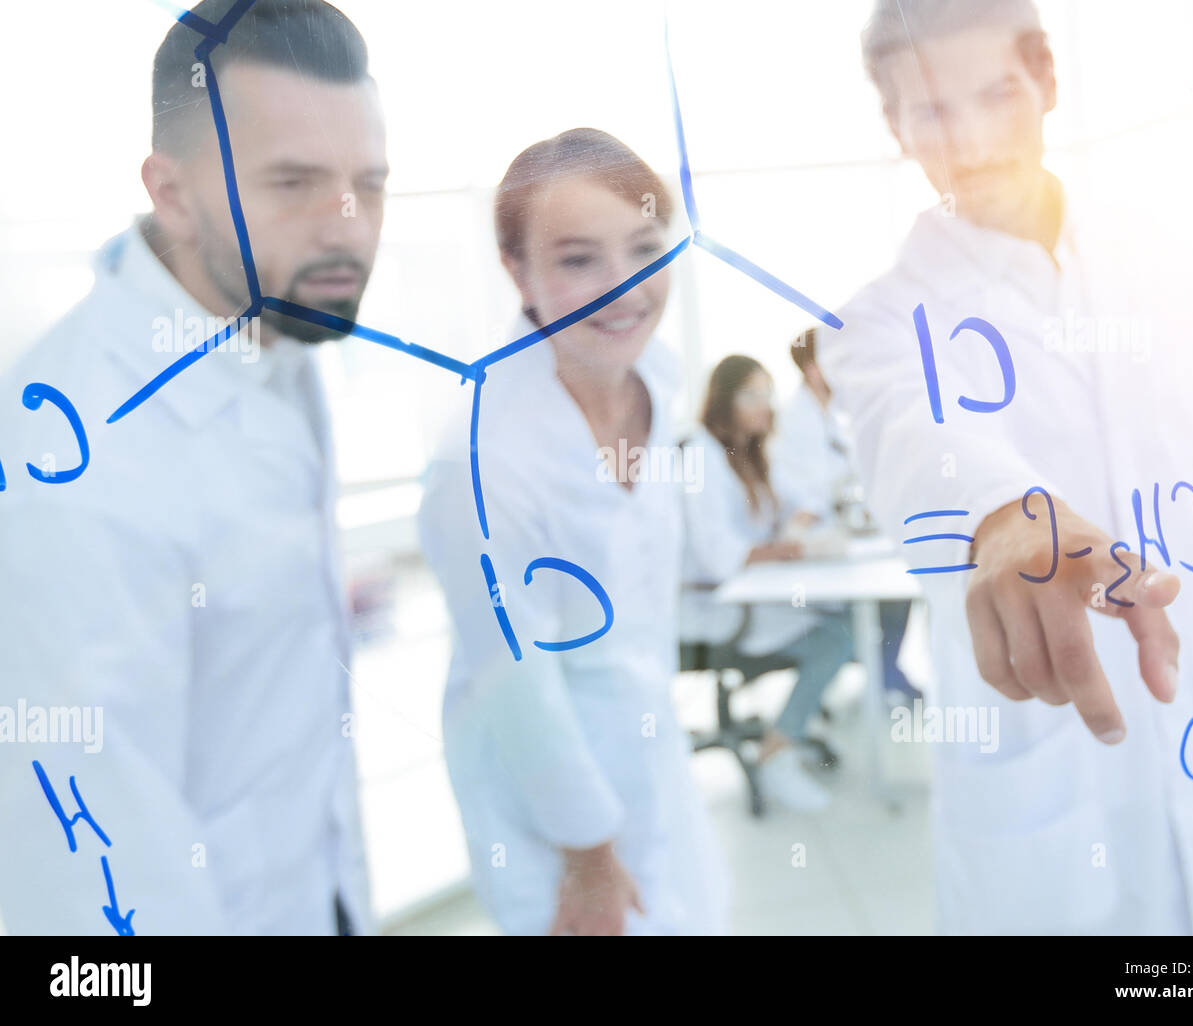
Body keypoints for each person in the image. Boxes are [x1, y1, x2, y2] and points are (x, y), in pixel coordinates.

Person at [820, 0, 1193, 934]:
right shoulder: (878, 322)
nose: (971, 140)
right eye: (931, 111)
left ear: (1045, 80)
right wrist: (1008, 516)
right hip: (1052, 765)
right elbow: (915, 439)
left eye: (996, 93)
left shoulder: (1167, 256)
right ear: (894, 126)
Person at [0, 0, 386, 935]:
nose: (346, 229)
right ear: (171, 192)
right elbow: (89, 871)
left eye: (368, 184)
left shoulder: (275, 335)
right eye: (292, 183)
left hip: (320, 889)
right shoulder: (74, 457)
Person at [418, 128, 729, 936]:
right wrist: (590, 855)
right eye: (578, 259)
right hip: (544, 800)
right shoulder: (483, 457)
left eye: (645, 248)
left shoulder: (658, 384)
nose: (622, 290)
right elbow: (514, 679)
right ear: (516, 270)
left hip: (652, 755)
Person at [680, 355, 855, 812]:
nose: (765, 405)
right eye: (752, 395)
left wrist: (799, 519)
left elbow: (788, 506)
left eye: (768, 394)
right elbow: (719, 555)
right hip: (714, 609)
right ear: (724, 400)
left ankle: (790, 733)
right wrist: (783, 550)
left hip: (750, 598)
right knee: (835, 637)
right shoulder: (702, 454)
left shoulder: (749, 452)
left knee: (842, 616)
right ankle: (777, 753)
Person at [770, 327, 920, 704]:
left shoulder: (832, 414)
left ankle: (887, 673)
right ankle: (886, 676)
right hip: (809, 542)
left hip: (838, 533)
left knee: (901, 586)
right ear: (814, 369)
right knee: (889, 593)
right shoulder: (796, 420)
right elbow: (809, 494)